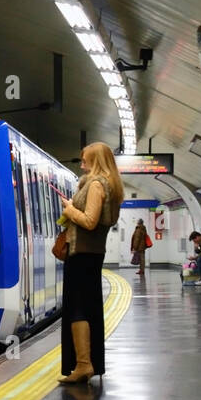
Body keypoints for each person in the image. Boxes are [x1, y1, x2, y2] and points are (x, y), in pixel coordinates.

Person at [57, 142, 124, 385]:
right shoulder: (106, 184)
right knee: (87, 308)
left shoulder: (96, 185)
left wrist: (70, 208)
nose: (82, 163)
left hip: (83, 254)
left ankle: (84, 364)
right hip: (91, 253)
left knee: (78, 309)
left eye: (86, 159)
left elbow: (89, 221)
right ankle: (85, 363)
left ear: (96, 161)